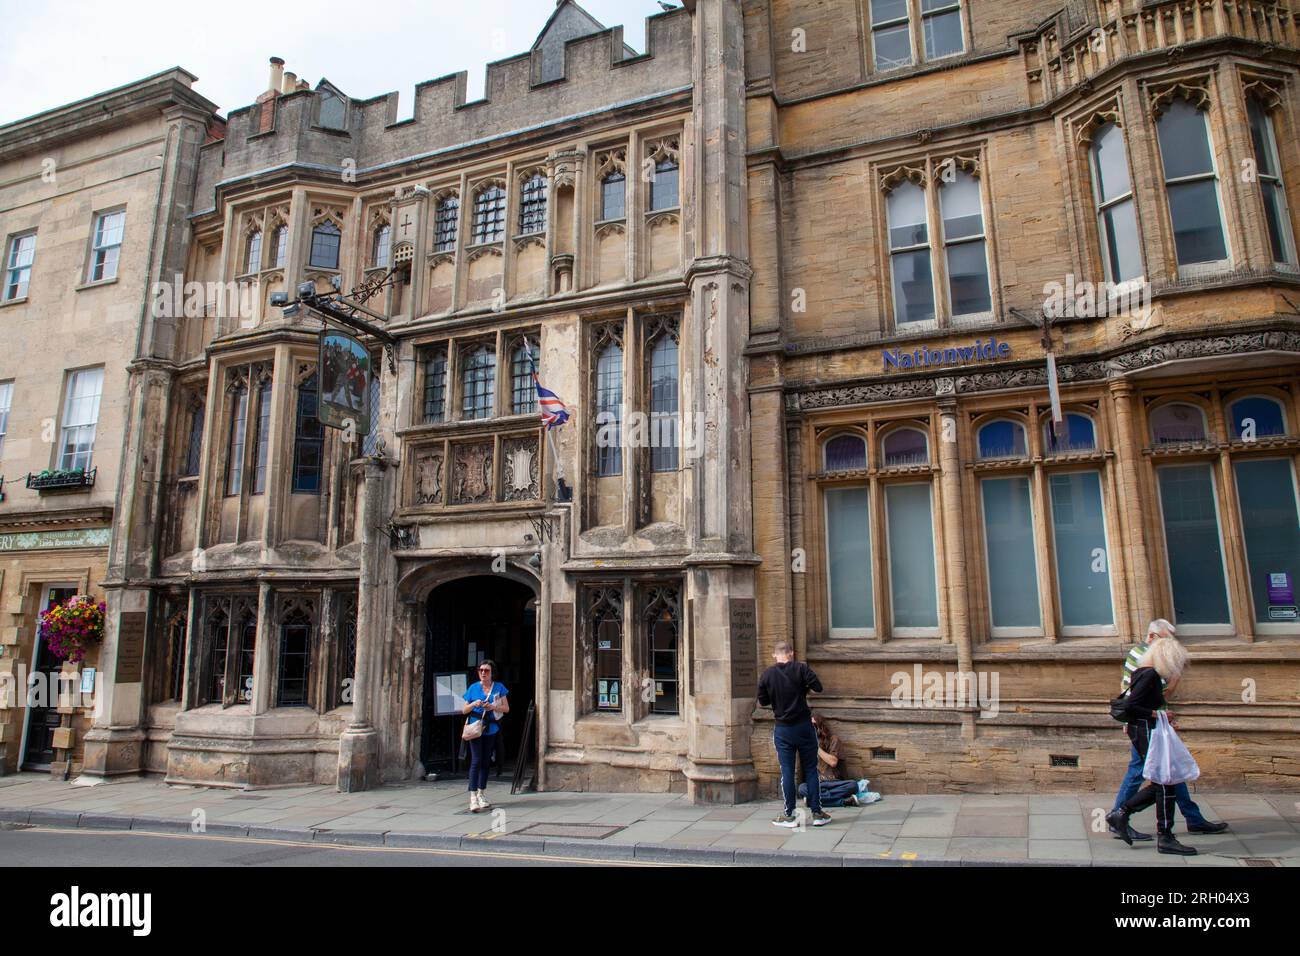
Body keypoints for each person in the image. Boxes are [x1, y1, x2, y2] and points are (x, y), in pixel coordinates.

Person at [1109, 619, 1227, 840]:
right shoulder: (1143, 657)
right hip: (1145, 727)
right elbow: (1151, 697)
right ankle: (1119, 816)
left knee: (1170, 772)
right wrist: (1164, 706)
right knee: (1142, 773)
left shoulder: (1151, 658)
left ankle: (1191, 819)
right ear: (1152, 637)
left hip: (1154, 725)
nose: (1169, 645)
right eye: (1165, 639)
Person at [1106, 637, 1199, 856]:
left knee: (1164, 783)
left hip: (1145, 730)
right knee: (1165, 782)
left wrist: (1161, 716)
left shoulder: (1145, 673)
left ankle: (1123, 814)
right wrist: (1156, 714)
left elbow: (1137, 704)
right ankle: (1163, 836)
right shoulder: (1149, 675)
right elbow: (1132, 705)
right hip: (1146, 732)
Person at [757, 640, 830, 828]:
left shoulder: (767, 674)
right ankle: (817, 813)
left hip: (783, 729)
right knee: (811, 770)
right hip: (804, 727)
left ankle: (790, 815)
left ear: (775, 655)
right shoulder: (801, 669)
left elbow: (763, 701)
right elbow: (818, 687)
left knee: (787, 771)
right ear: (792, 653)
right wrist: (803, 686)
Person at [796, 712, 875, 808]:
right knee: (802, 788)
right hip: (819, 784)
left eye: (814, 725)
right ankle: (842, 801)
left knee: (853, 785)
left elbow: (833, 762)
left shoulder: (833, 740)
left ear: (820, 726)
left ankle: (813, 801)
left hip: (836, 783)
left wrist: (815, 747)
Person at [461, 660, 509, 813]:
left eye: (486, 671)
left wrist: (493, 706)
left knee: (486, 761)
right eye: (481, 670)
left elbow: (506, 708)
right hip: (476, 728)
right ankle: (473, 796)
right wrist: (474, 704)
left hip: (491, 728)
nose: (483, 673)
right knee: (476, 760)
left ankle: (482, 793)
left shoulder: (499, 687)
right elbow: (463, 710)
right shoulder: (473, 688)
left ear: (492, 673)